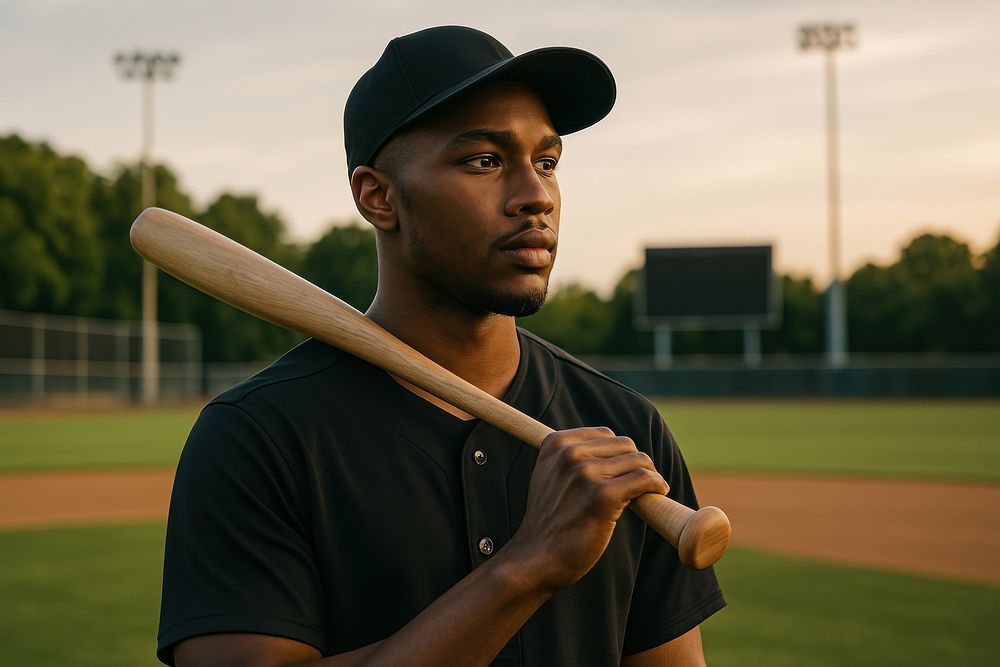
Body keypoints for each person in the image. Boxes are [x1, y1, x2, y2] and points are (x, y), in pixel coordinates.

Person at [157, 26, 725, 666]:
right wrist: (528, 565)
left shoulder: (624, 429)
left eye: (546, 162)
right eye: (484, 161)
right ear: (379, 197)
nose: (535, 195)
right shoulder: (259, 437)